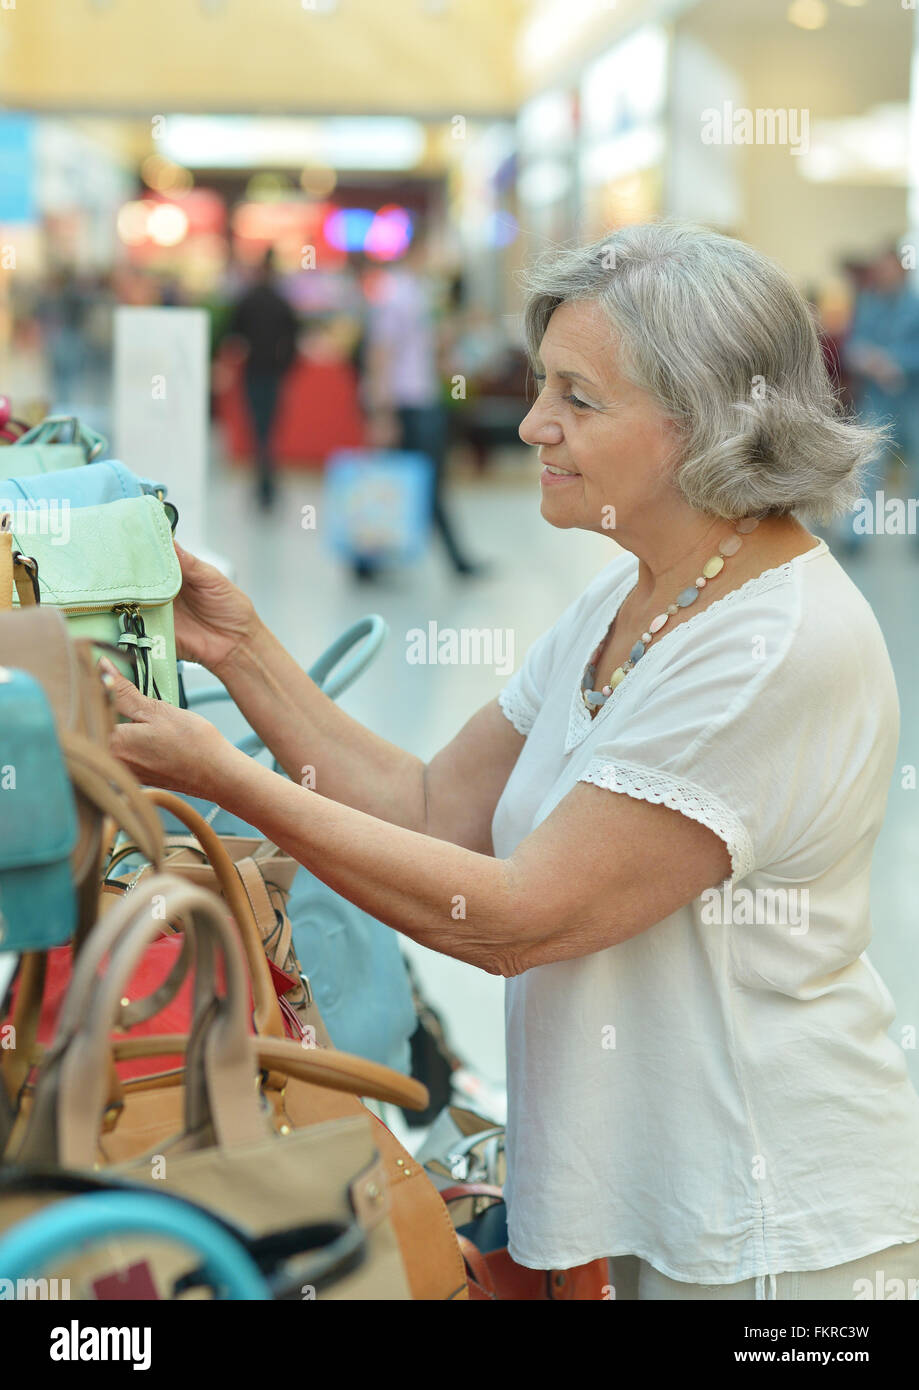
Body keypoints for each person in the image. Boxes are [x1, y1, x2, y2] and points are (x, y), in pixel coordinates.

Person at [103, 220, 919, 1300]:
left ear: (710, 422)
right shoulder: (626, 596)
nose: (533, 423)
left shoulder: (771, 648)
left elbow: (515, 917)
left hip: (770, 1234)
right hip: (649, 1200)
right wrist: (241, 646)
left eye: (579, 399)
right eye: (542, 386)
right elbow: (435, 807)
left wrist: (221, 775)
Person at [358, 230, 487, 580]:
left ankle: (371, 562)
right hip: (405, 403)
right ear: (420, 249)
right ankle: (369, 560)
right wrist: (381, 413)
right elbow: (380, 353)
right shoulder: (396, 294)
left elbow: (427, 350)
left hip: (420, 398)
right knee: (414, 481)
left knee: (419, 481)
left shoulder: (418, 293)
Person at [839, 244, 919, 555]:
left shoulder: (914, 307)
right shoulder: (868, 305)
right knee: (868, 466)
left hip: (912, 399)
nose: (883, 275)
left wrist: (893, 362)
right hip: (877, 401)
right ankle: (856, 533)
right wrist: (867, 360)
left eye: (889, 269)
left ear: (902, 270)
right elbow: (852, 345)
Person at [227, 249, 299, 509]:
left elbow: (233, 336)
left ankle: (263, 484)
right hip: (273, 376)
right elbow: (294, 340)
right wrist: (284, 368)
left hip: (254, 373)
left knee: (258, 431)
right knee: (269, 431)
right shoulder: (282, 303)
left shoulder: (249, 299)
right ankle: (267, 485)